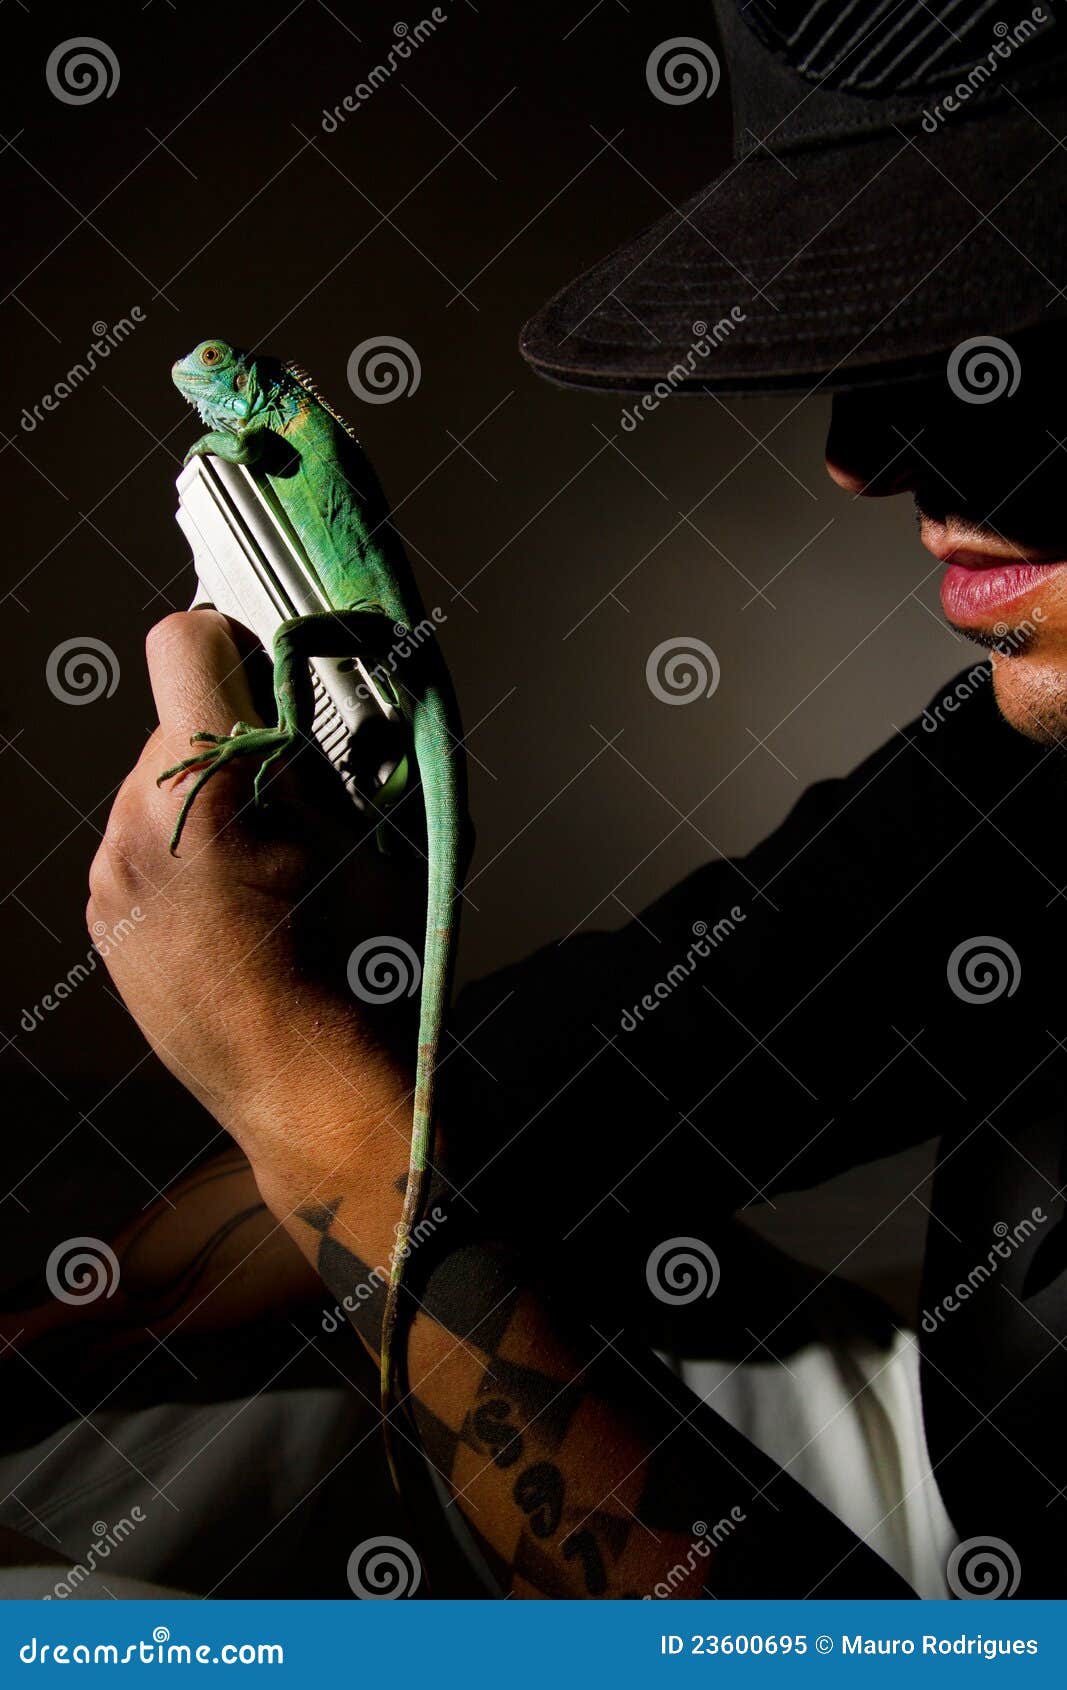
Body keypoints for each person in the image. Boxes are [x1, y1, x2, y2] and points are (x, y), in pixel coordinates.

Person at [29, 1, 1067, 1598]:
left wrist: (318, 1116)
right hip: (950, 1434)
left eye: (1007, 319)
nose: (865, 449)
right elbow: (686, 1018)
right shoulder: (1029, 773)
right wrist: (94, 1300)